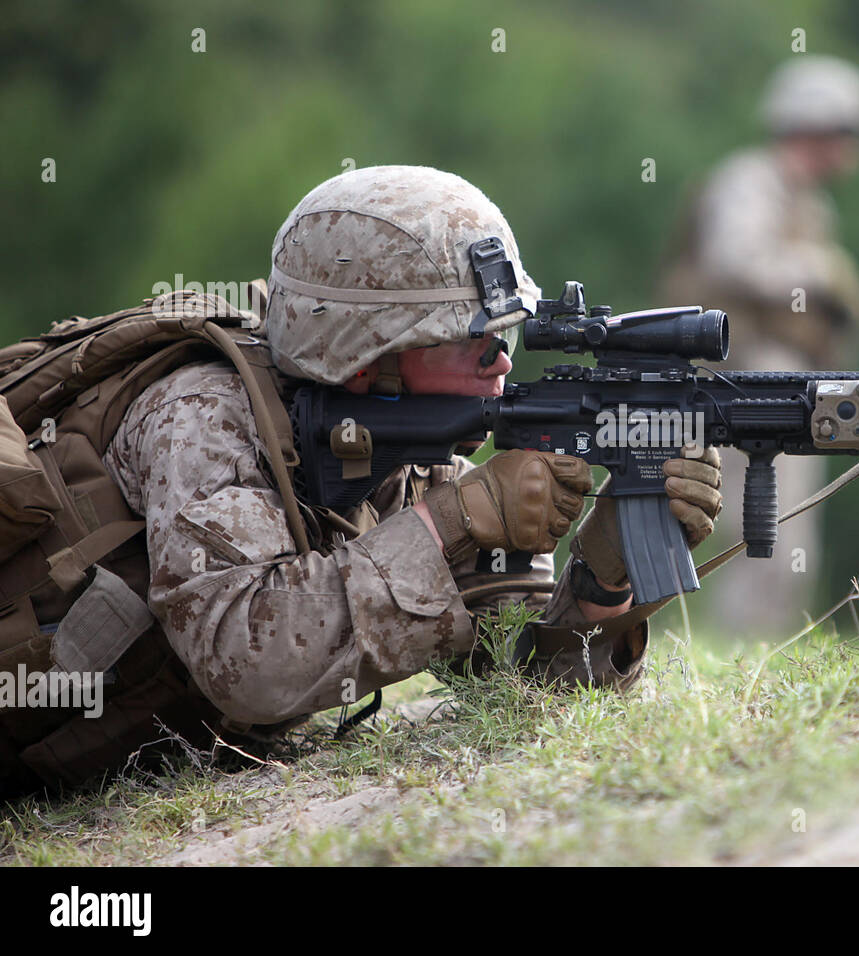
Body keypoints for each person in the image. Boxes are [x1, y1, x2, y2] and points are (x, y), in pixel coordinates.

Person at [2, 165, 723, 795]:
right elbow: (247, 667)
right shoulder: (199, 415)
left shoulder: (420, 456)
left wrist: (607, 576)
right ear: (362, 357)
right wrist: (448, 524)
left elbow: (522, 687)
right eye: (470, 338)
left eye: (501, 335)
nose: (500, 363)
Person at [659, 55, 859, 636]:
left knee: (783, 521)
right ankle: (743, 649)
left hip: (780, 368)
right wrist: (825, 272)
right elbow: (733, 260)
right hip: (746, 368)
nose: (854, 147)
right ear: (817, 128)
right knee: (766, 520)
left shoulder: (806, 202)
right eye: (848, 132)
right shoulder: (751, 179)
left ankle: (757, 645)